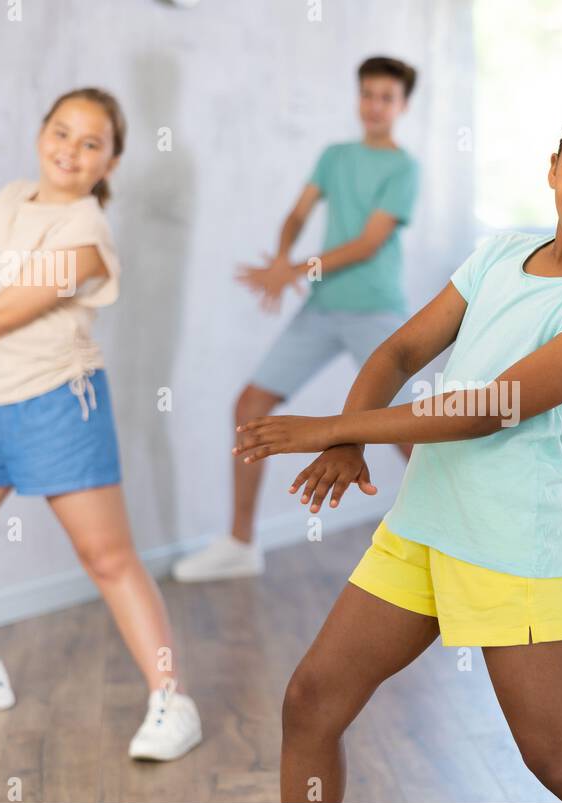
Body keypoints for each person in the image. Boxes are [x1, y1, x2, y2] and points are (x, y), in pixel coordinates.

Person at [236, 90, 562, 802]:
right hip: (424, 523)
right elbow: (401, 348)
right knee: (310, 702)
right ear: (553, 169)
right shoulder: (501, 252)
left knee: (558, 760)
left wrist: (333, 429)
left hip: (508, 545)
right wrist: (350, 439)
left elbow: (485, 411)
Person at [0, 88, 201, 761]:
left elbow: (4, 313)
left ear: (110, 162)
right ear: (40, 133)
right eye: (61, 132)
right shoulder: (6, 200)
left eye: (90, 143)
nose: (70, 151)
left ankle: (173, 700)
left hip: (56, 404)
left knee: (106, 558)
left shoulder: (86, 233)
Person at [173, 56, 420, 582]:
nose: (374, 105)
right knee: (251, 404)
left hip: (374, 307)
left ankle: (461, 540)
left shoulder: (404, 168)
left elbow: (368, 243)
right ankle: (240, 543)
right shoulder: (334, 155)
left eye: (386, 97)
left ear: (402, 106)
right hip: (322, 306)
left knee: (407, 431)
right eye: (367, 94)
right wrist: (283, 258)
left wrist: (295, 269)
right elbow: (298, 212)